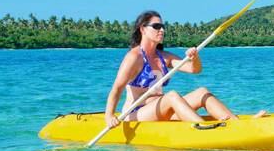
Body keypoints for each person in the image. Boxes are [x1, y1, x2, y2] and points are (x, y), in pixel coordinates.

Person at [104, 10, 262, 128]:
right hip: (136, 114)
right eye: (156, 26)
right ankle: (204, 130)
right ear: (143, 29)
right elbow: (116, 89)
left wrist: (195, 57)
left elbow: (194, 70)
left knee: (202, 93)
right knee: (172, 96)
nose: (162, 30)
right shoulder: (134, 57)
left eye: (163, 26)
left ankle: (237, 125)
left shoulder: (164, 57)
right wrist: (109, 116)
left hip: (161, 110)